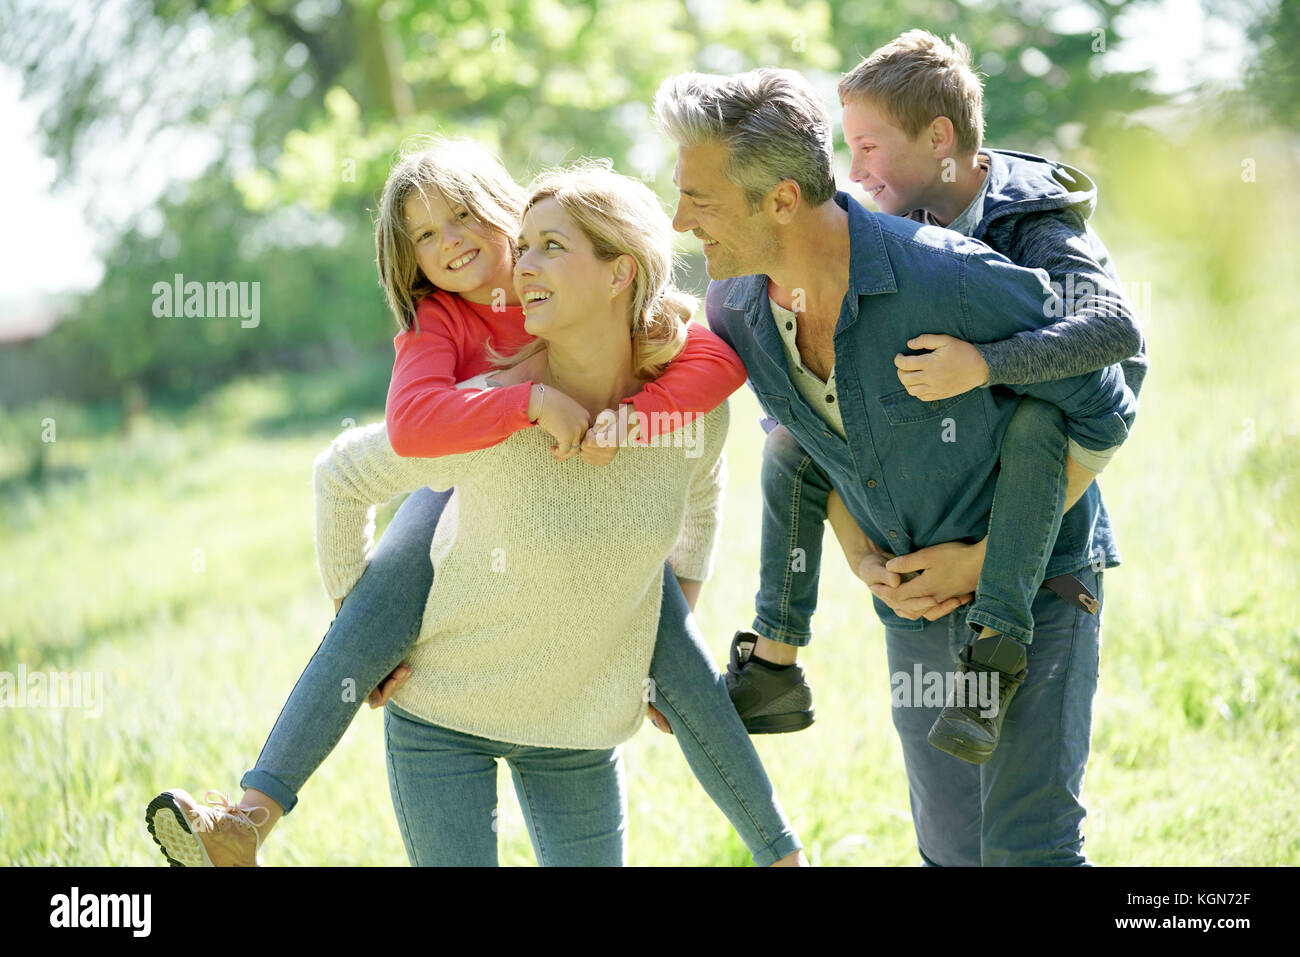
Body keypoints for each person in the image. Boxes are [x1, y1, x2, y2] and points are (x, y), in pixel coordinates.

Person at [145, 141, 803, 867]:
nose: (451, 242)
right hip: (462, 470)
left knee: (670, 631)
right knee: (387, 585)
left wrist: (635, 419)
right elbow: (409, 427)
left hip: (584, 619)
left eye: (464, 216)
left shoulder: (584, 285)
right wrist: (524, 400)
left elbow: (716, 369)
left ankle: (780, 852)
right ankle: (251, 814)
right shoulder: (444, 320)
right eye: (425, 235)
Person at [655, 67, 1136, 865]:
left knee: (1028, 850)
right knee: (951, 850)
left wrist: (981, 557)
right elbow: (800, 434)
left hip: (1038, 578)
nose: (680, 221)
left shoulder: (947, 273)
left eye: (698, 200)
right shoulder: (735, 306)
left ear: (779, 198)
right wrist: (864, 560)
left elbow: (1105, 399)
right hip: (912, 598)